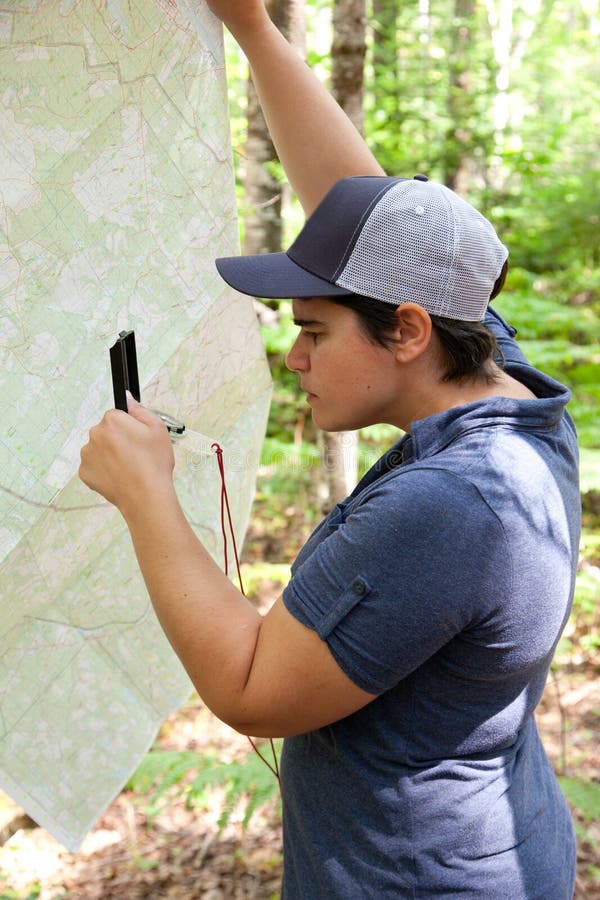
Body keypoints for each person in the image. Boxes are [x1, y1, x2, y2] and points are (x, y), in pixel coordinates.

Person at [79, 1, 581, 897]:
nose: (295, 355)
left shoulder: (457, 504)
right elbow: (374, 218)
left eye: (312, 329)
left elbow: (250, 687)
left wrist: (145, 494)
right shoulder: (499, 383)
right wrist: (255, 30)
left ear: (408, 331)